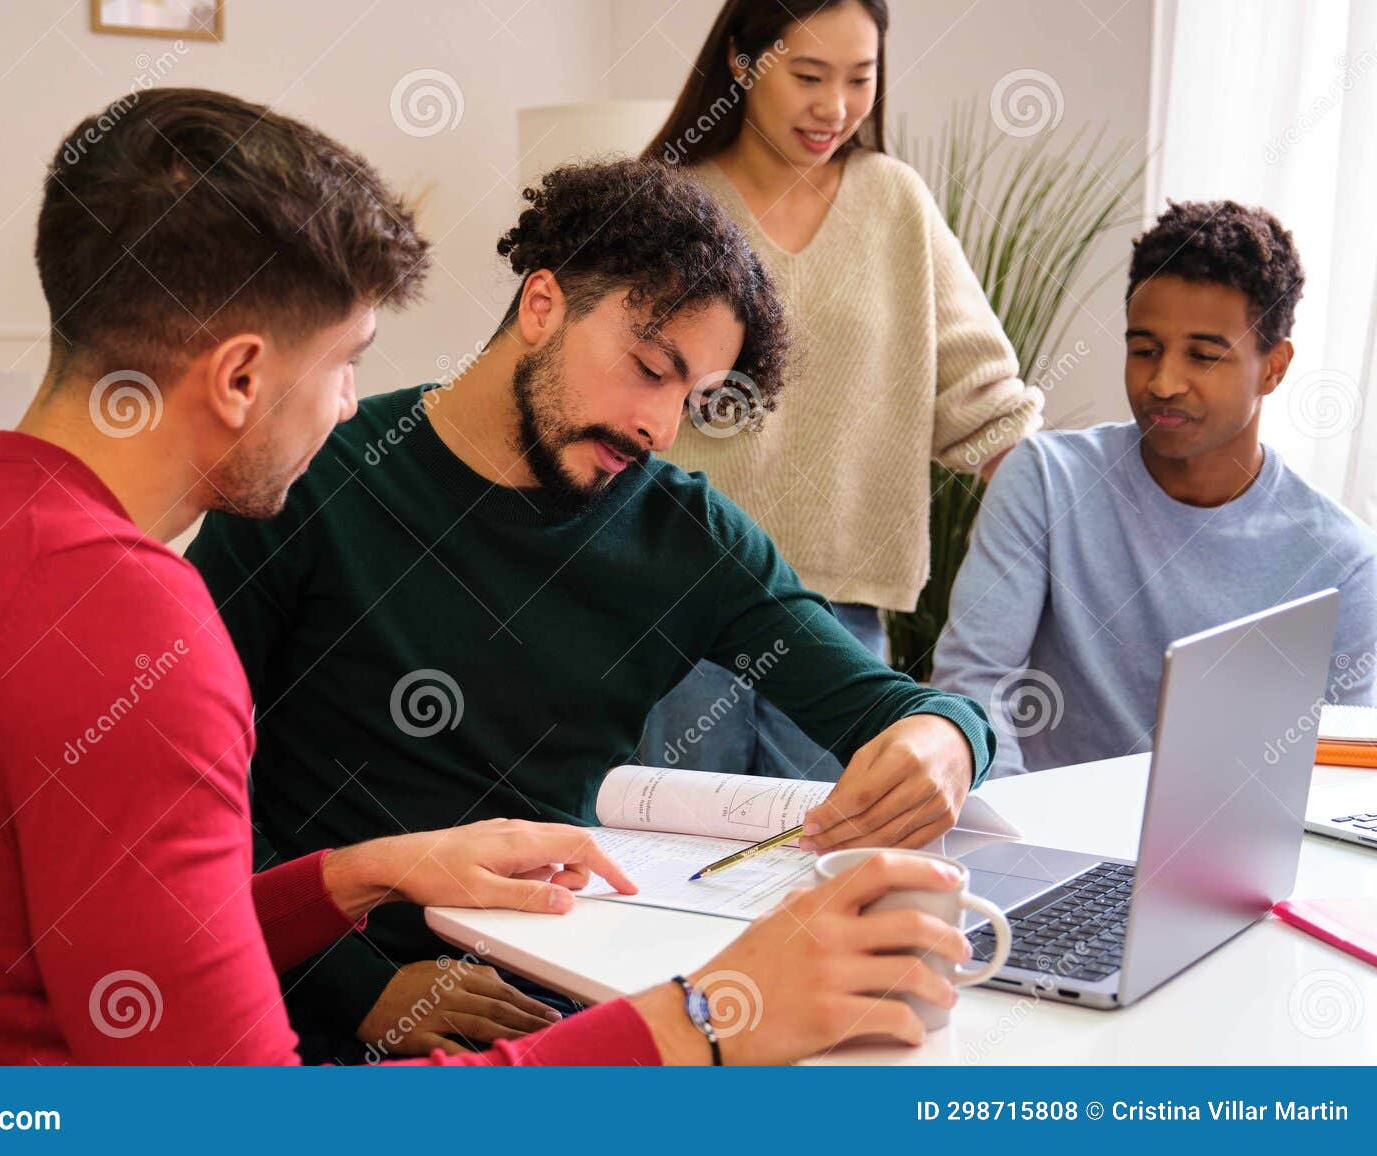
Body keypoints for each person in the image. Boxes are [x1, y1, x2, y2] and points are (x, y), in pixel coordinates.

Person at [0, 88, 978, 1067]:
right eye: (346, 362)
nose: (355, 400)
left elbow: (70, 951)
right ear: (242, 377)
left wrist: (356, 875)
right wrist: (705, 1018)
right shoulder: (136, 628)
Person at [186, 153, 996, 1061]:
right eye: (652, 368)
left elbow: (906, 708)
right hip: (298, 1003)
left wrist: (946, 744)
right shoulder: (322, 477)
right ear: (542, 308)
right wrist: (358, 990)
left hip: (565, 1000)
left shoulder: (686, 536)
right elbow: (181, 807)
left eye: (693, 398)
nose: (661, 426)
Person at [634, 0, 1043, 783]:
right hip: (678, 600)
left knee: (833, 865)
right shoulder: (671, 204)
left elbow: (985, 402)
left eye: (861, 78)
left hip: (838, 617)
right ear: (742, 63)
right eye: (809, 75)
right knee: (676, 870)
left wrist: (1084, 520)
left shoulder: (894, 201)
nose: (836, 107)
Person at [932, 199, 1377, 777]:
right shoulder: (1043, 479)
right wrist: (1022, 838)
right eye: (1145, 350)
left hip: (1229, 861)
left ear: (1274, 367)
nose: (1163, 382)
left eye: (1203, 356)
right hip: (1042, 840)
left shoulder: (1343, 561)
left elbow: (1347, 768)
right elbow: (973, 683)